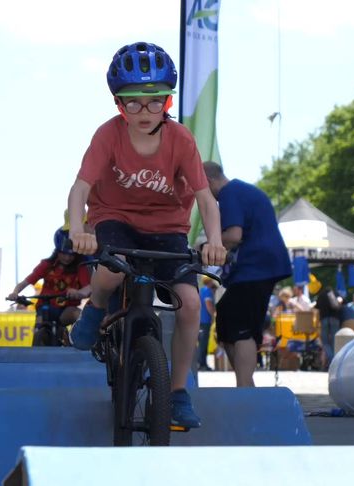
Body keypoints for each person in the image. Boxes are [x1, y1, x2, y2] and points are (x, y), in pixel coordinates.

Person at [66, 42, 227, 429]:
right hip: (115, 219)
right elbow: (80, 189)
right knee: (111, 270)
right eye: (132, 102)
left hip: (168, 228)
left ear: (168, 102)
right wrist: (77, 228)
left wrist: (215, 241)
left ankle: (176, 392)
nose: (143, 111)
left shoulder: (181, 140)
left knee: (189, 302)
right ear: (118, 104)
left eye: (154, 101)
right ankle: (97, 307)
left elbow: (206, 199)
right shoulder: (107, 136)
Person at [203, 161, 292, 387]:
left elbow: (233, 235)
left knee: (242, 329)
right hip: (257, 268)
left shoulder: (229, 194)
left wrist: (205, 247)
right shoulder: (242, 191)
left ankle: (244, 388)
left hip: (255, 268)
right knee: (225, 326)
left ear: (208, 180)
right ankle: (246, 384)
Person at [7, 228, 92, 345]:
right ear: (57, 251)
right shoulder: (47, 265)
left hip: (66, 310)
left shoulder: (80, 267)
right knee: (39, 327)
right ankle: (39, 340)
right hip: (45, 307)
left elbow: (89, 288)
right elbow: (25, 282)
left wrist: (79, 293)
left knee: (77, 314)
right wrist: (15, 293)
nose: (67, 258)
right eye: (63, 253)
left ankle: (75, 340)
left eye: (71, 255)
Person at [314, 286, 342, 370]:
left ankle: (331, 359)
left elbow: (317, 307)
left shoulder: (321, 295)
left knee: (325, 342)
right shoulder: (336, 294)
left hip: (324, 319)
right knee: (334, 341)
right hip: (335, 319)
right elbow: (342, 304)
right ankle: (335, 360)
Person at [197, 276, 218, 371]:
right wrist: (215, 315)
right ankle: (202, 364)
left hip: (201, 320)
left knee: (202, 343)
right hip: (204, 320)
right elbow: (209, 305)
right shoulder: (207, 291)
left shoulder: (202, 290)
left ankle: (202, 363)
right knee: (203, 343)